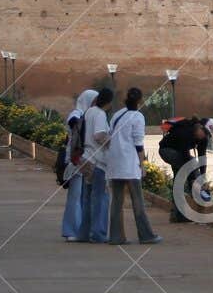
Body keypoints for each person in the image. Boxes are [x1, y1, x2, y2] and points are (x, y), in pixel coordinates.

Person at [105, 87, 160, 245]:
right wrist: (143, 164)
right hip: (129, 163)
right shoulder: (138, 117)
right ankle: (146, 235)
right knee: (138, 201)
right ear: (140, 101)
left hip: (115, 162)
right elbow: (138, 144)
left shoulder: (116, 115)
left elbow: (110, 136)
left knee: (116, 201)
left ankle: (116, 236)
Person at [76, 88, 114, 243]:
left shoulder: (89, 112)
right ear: (109, 102)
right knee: (100, 198)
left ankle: (84, 233)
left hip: (86, 159)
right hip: (97, 161)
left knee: (87, 198)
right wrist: (112, 141)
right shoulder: (99, 114)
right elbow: (99, 135)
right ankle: (98, 233)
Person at [158, 116, 211, 223]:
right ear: (199, 127)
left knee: (179, 180)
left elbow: (202, 158)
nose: (204, 135)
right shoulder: (186, 132)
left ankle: (177, 215)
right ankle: (195, 190)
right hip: (167, 151)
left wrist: (203, 177)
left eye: (207, 133)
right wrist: (194, 179)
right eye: (204, 131)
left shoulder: (203, 139)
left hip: (180, 154)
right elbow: (186, 157)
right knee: (192, 163)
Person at [60, 91, 93, 241]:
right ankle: (71, 230)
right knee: (75, 196)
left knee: (82, 196)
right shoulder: (76, 114)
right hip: (75, 161)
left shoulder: (88, 114)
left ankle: (81, 229)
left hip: (84, 160)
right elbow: (74, 126)